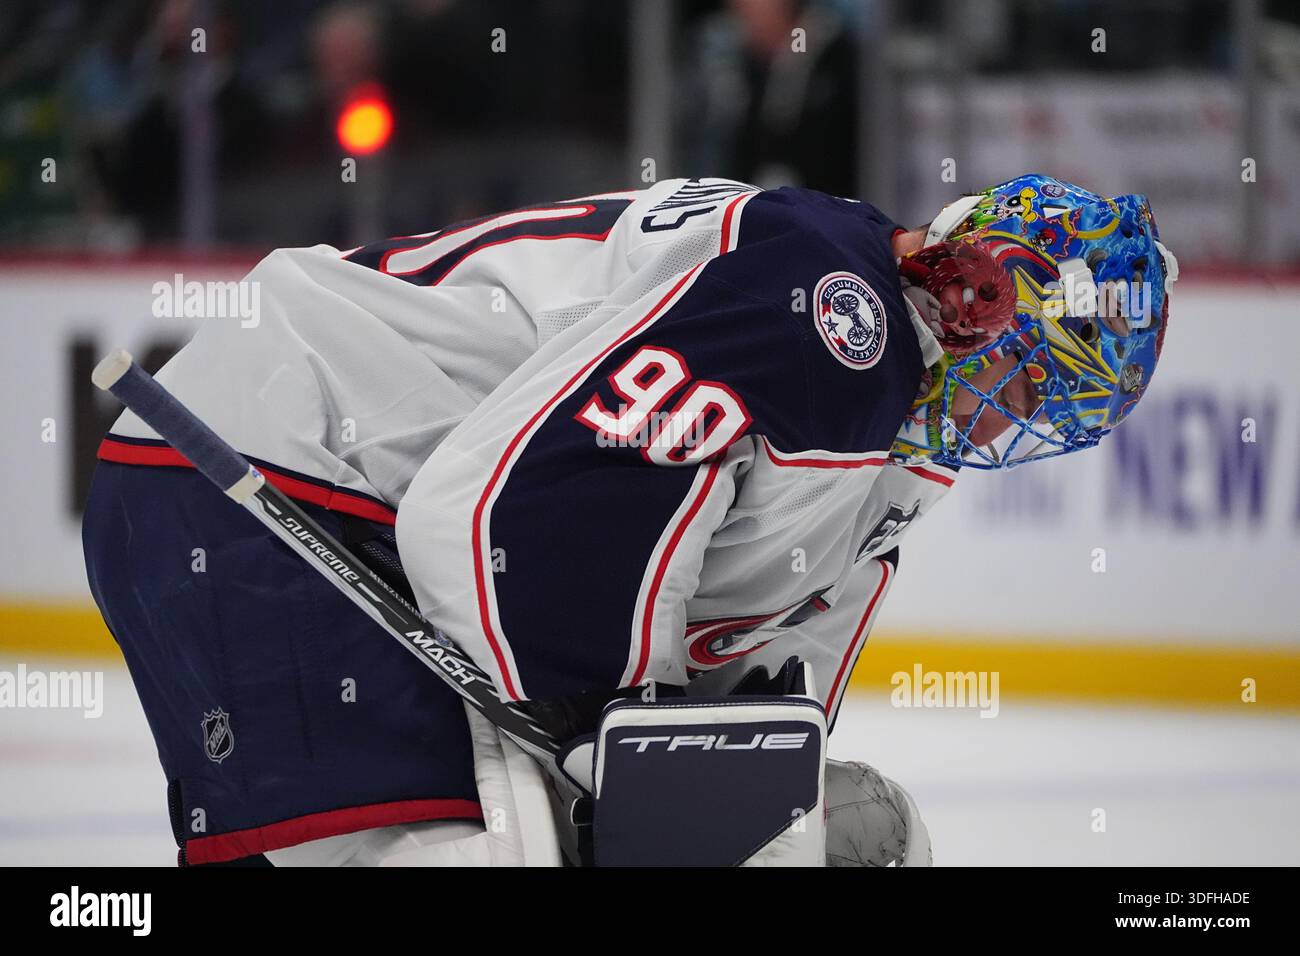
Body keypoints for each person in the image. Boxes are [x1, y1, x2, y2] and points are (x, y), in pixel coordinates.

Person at [82, 174, 1176, 866]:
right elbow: (492, 512)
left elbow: (758, 700)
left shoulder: (889, 438)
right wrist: (606, 726)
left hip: (329, 500)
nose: (1009, 429)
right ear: (984, 298)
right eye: (1032, 387)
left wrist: (694, 783)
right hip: (276, 459)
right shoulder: (832, 313)